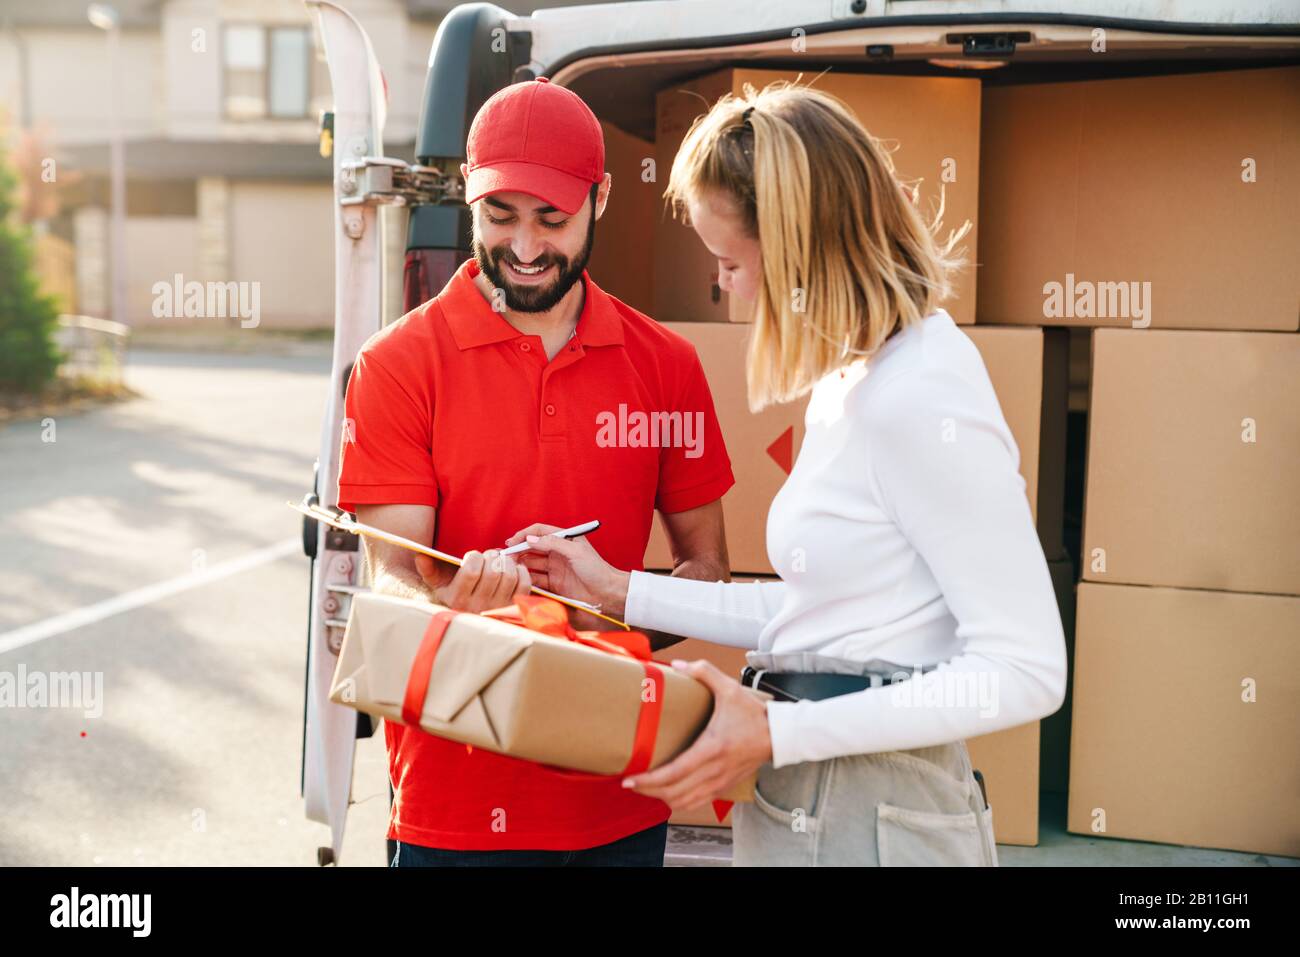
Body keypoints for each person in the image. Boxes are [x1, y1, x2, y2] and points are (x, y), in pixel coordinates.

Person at [514, 81, 1068, 867]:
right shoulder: (853, 382)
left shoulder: (921, 391)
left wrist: (780, 728)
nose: (722, 285)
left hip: (874, 809)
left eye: (729, 260)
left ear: (800, 249)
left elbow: (1025, 671)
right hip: (814, 795)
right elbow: (818, 610)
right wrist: (617, 589)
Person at [336, 77, 736, 867]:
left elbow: (708, 569)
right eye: (500, 216)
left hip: (617, 798)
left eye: (552, 220)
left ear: (602, 198)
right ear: (468, 199)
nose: (523, 248)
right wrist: (450, 608)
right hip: (449, 806)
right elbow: (392, 580)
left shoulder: (667, 366)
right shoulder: (396, 365)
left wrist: (595, 615)